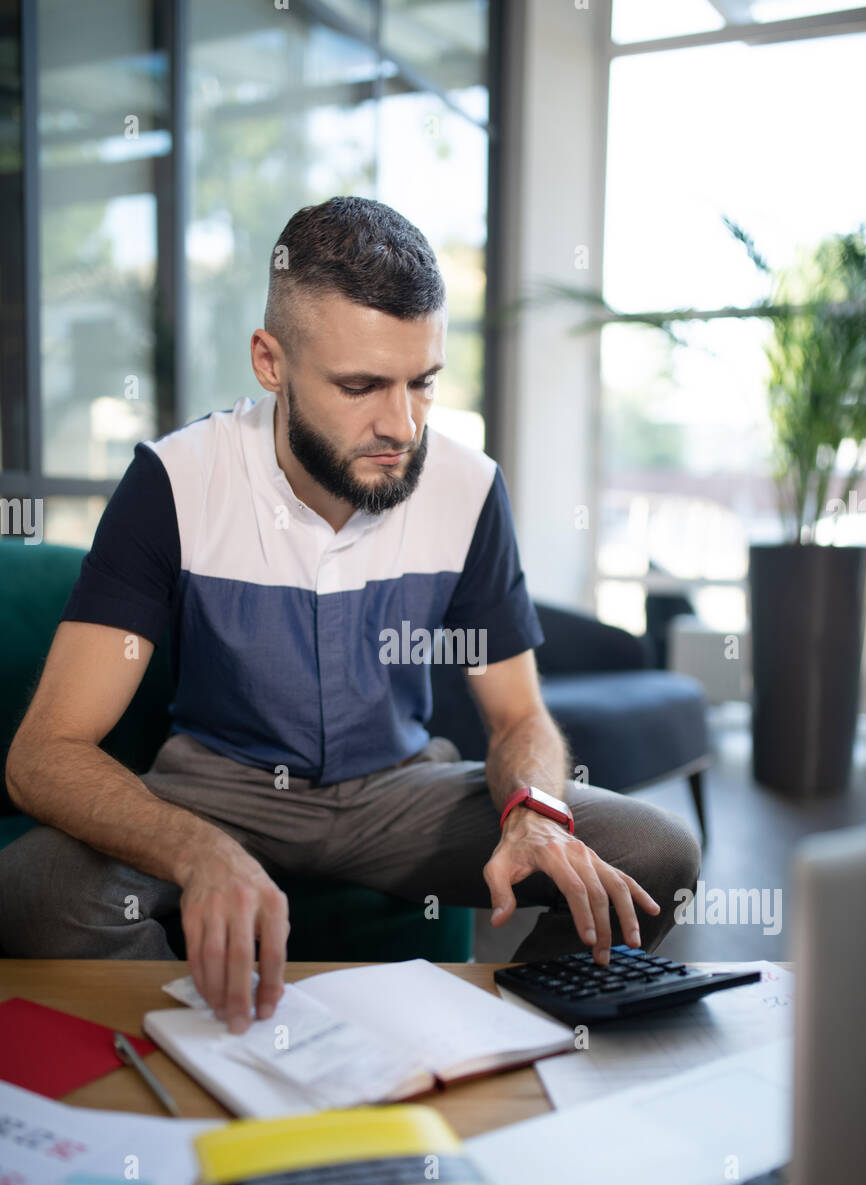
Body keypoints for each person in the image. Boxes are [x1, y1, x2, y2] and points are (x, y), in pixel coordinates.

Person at [0, 196, 701, 1034]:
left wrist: (535, 813)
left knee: (657, 852)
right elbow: (44, 756)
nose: (401, 425)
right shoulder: (175, 482)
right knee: (38, 891)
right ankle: (206, 1062)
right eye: (361, 385)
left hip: (400, 794)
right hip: (219, 791)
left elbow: (520, 716)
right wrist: (200, 851)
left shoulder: (469, 487)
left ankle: (511, 1043)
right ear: (270, 361)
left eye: (423, 383)